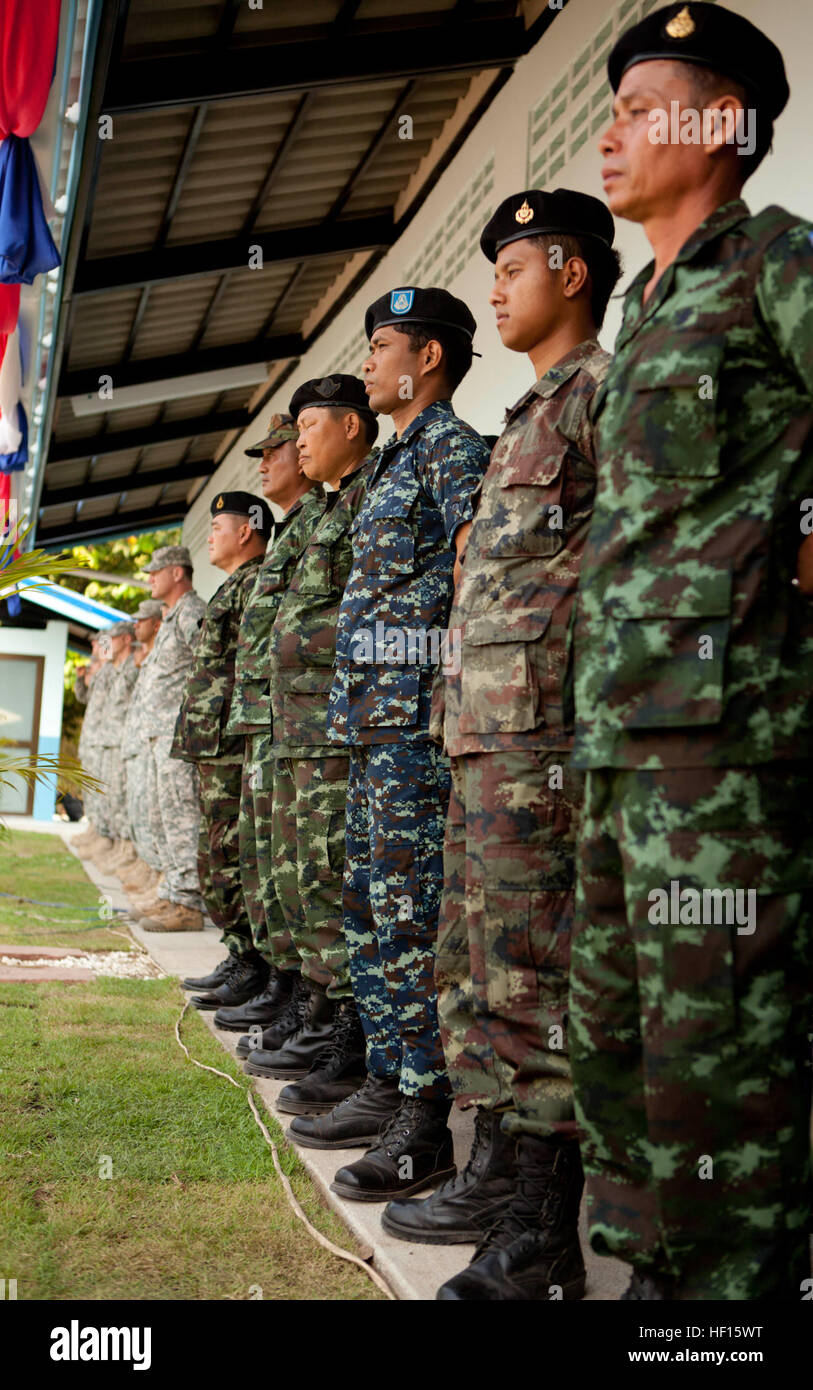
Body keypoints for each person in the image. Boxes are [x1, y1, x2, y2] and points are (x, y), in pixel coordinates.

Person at [568, 2, 813, 1300]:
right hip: (618, 745)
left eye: (636, 108)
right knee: (617, 1040)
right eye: (605, 110)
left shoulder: (777, 262)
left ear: (722, 123)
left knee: (713, 1055)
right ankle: (658, 1280)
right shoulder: (646, 312)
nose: (607, 135)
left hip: (720, 759)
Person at [380, 192, 620, 1301]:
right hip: (485, 740)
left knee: (533, 977)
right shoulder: (530, 414)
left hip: (546, 747)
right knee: (478, 972)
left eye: (512, 267)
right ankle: (498, 1177)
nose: (494, 287)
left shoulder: (601, 398)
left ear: (571, 274)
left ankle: (545, 1233)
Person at [308, 287, 489, 1200]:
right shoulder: (389, 465)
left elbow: (475, 567)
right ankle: (386, 1084)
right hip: (373, 726)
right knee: (371, 911)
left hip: (415, 726)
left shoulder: (451, 449)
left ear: (426, 360)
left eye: (381, 345)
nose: (369, 361)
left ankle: (426, 1123)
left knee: (412, 919)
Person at [242, 376, 378, 1114]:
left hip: (332, 724)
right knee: (297, 875)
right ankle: (314, 1010)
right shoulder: (321, 511)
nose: (292, 447)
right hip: (293, 725)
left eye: (307, 429)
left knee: (329, 873)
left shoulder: (367, 499)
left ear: (352, 427)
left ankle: (345, 1035)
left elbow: (366, 608)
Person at [189, 415, 324, 1016]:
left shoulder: (314, 523)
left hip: (289, 727)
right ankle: (262, 967)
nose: (265, 463)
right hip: (254, 727)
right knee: (253, 856)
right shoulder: (292, 536)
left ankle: (284, 982)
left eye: (275, 452)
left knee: (288, 864)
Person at [172, 492, 274, 980]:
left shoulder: (256, 583)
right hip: (212, 744)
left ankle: (251, 963)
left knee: (230, 852)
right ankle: (237, 954)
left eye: (218, 527)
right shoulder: (233, 585)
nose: (209, 536)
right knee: (214, 850)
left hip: (231, 745)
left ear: (246, 532)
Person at [136, 545, 206, 932]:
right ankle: (172, 894)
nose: (150, 578)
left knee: (181, 817)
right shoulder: (174, 615)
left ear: (177, 573)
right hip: (159, 734)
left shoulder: (192, 611)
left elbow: (208, 665)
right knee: (164, 817)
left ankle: (187, 904)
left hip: (178, 734)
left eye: (155, 571)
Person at [119, 600, 164, 901]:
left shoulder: (154, 654)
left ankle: (162, 877)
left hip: (156, 739)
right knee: (138, 807)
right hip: (138, 739)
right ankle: (148, 868)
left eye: (141, 620)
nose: (137, 626)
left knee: (156, 813)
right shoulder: (140, 659)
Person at [91, 622, 138, 875]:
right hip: (108, 738)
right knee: (110, 796)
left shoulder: (131, 666)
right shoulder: (113, 669)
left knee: (122, 798)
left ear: (126, 640)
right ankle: (115, 844)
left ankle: (125, 848)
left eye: (112, 639)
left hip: (123, 740)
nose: (105, 645)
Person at [74, 636, 116, 857]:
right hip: (93, 741)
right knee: (91, 791)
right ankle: (94, 828)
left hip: (105, 741)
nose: (93, 648)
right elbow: (84, 698)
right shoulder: (99, 672)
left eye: (97, 644)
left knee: (103, 791)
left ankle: (104, 836)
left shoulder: (109, 670)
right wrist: (81, 679)